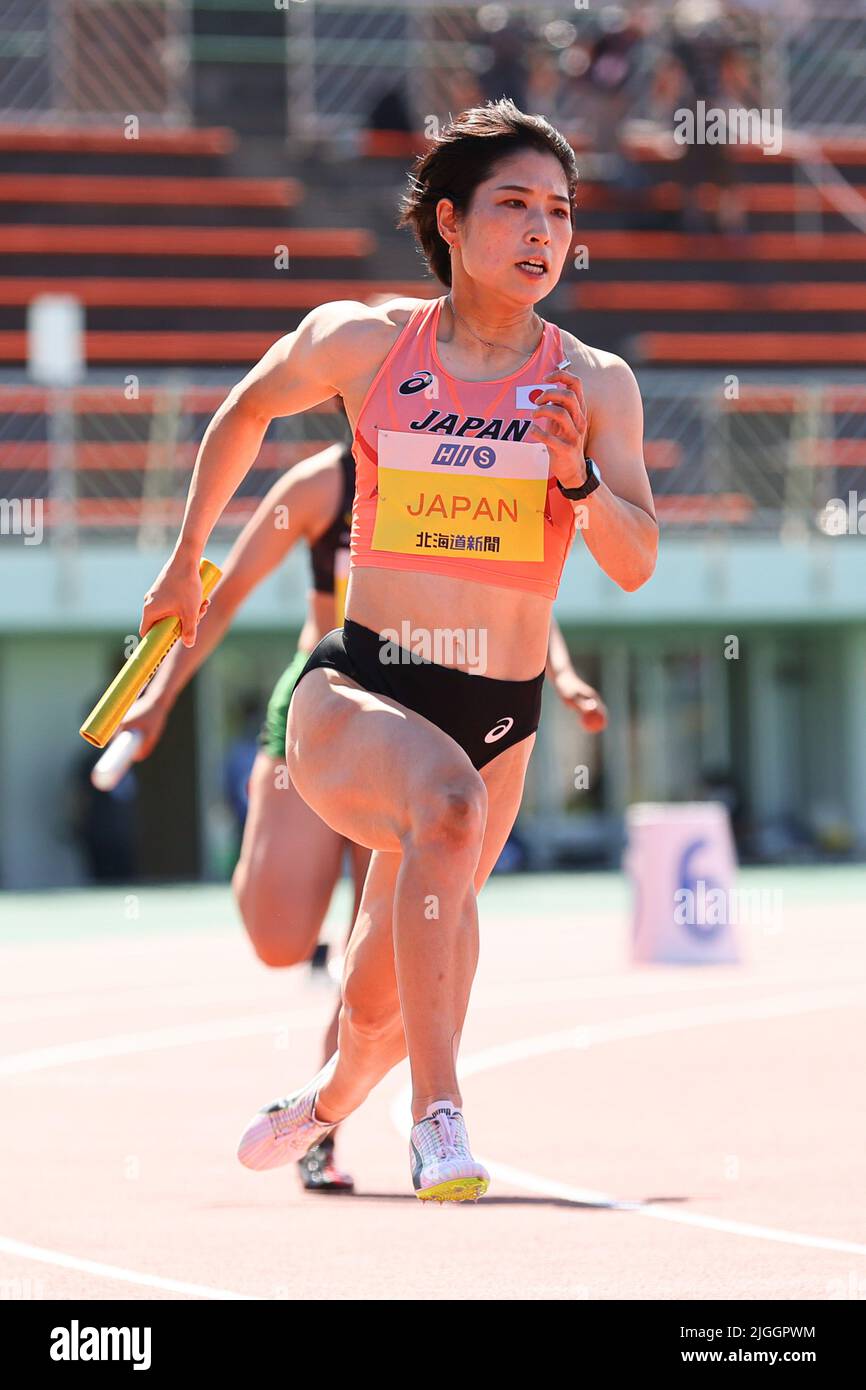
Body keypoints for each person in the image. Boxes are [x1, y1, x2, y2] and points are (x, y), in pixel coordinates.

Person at [138, 99, 657, 1203]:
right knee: (446, 810)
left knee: (377, 1001)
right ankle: (440, 1117)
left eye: (558, 212)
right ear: (449, 222)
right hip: (360, 684)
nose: (540, 232)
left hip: (500, 712)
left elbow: (634, 558)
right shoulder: (366, 342)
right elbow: (242, 410)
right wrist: (185, 560)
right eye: (513, 206)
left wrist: (574, 478)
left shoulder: (595, 383)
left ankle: (322, 1105)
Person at [125, 431, 607, 1193]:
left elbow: (513, 589)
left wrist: (567, 674)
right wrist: (159, 698)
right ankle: (277, 860)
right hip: (330, 706)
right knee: (280, 936)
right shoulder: (319, 486)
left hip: (423, 712)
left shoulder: (462, 469)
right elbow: (219, 600)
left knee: (381, 942)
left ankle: (330, 1121)